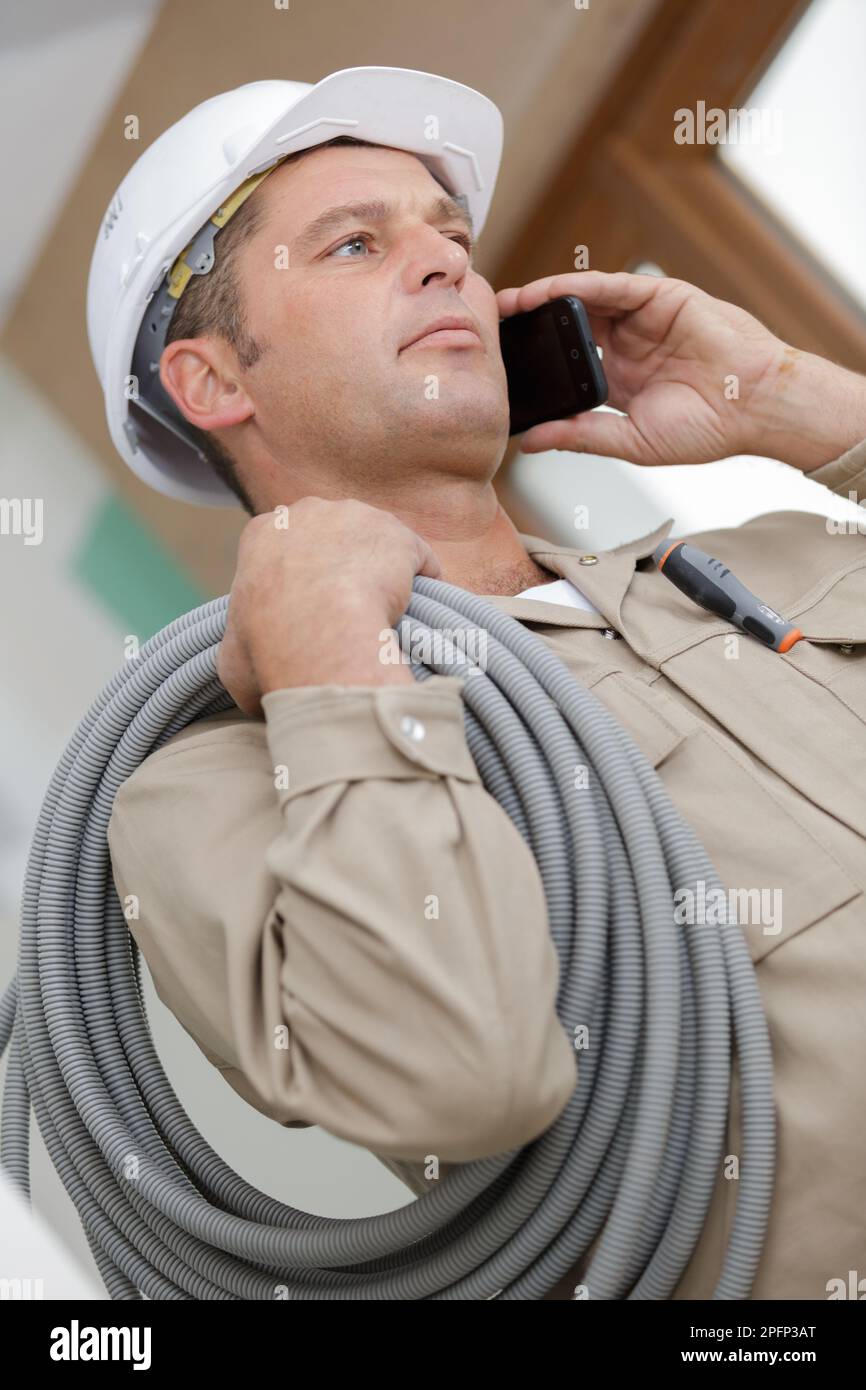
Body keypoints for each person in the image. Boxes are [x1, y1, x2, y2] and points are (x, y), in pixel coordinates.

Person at [102, 97, 866, 1303]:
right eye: (358, 242)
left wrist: (809, 406)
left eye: (448, 230)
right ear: (210, 377)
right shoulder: (208, 788)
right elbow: (463, 1077)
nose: (447, 257)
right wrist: (330, 657)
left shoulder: (767, 564)